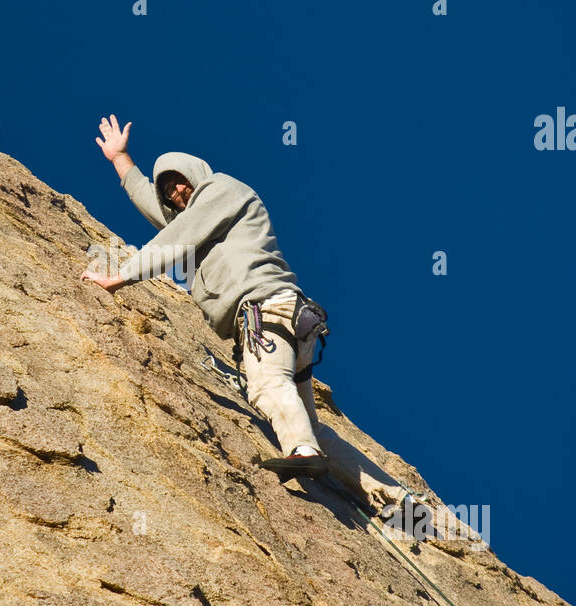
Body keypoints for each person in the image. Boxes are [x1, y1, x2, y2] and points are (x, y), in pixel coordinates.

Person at [81, 115, 416, 514]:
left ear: (195, 174)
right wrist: (120, 159)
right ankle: (397, 500)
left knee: (267, 385)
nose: (175, 192)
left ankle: (302, 450)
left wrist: (118, 278)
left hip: (265, 312)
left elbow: (174, 239)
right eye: (168, 191)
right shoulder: (200, 219)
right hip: (290, 322)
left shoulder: (221, 189)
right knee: (310, 423)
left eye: (178, 181)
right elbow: (159, 209)